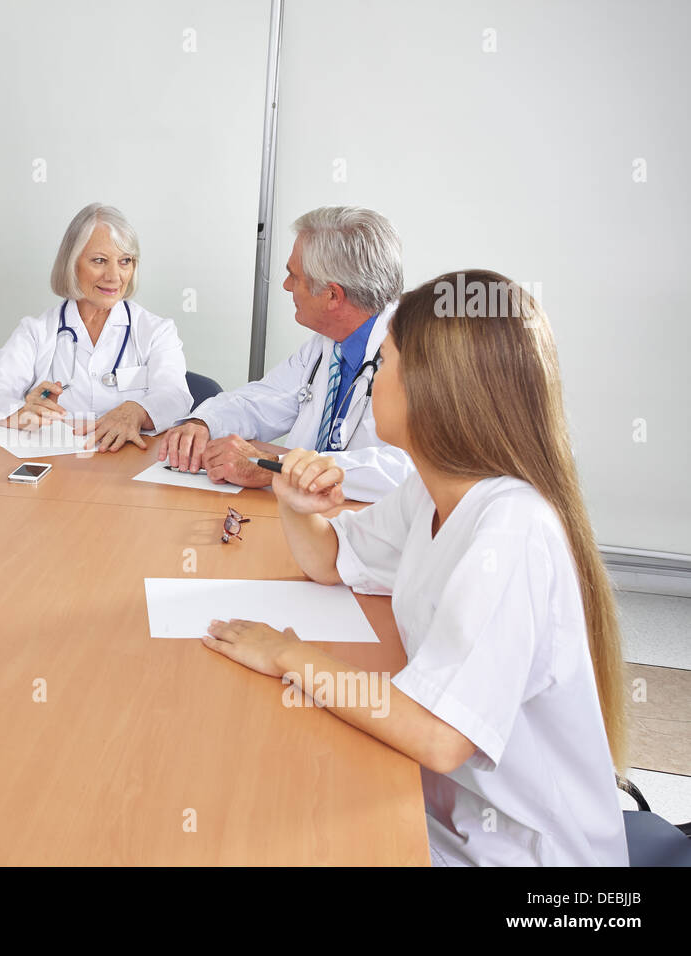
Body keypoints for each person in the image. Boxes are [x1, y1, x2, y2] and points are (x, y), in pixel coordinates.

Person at [202, 271, 627, 866]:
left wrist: (287, 655)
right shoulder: (434, 492)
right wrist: (296, 507)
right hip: (445, 813)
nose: (372, 376)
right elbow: (330, 561)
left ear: (433, 389)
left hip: (522, 858)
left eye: (386, 362)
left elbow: (438, 735)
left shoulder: (510, 529)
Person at [158, 206, 412, 501]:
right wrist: (203, 423)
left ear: (332, 295)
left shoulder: (418, 356)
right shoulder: (327, 345)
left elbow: (413, 469)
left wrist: (275, 468)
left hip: (368, 530)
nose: (285, 285)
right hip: (307, 520)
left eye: (294, 276)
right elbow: (260, 401)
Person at [0, 203, 192, 452]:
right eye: (99, 261)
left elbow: (176, 397)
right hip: (60, 468)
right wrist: (21, 411)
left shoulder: (156, 331)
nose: (114, 276)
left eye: (125, 261)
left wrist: (137, 411)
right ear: (71, 264)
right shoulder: (36, 331)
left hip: (130, 464)